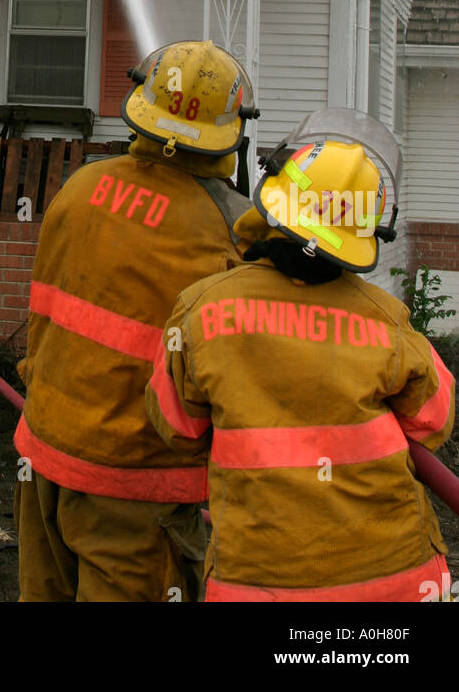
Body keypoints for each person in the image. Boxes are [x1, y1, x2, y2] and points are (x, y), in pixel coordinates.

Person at [146, 108, 456, 602]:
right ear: (367, 232)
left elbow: (175, 425)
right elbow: (434, 422)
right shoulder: (385, 317)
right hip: (394, 577)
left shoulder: (202, 308)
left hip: (259, 580)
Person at [14, 39, 258, 602]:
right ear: (231, 132)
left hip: (43, 455)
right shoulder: (231, 228)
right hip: (134, 487)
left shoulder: (79, 187)